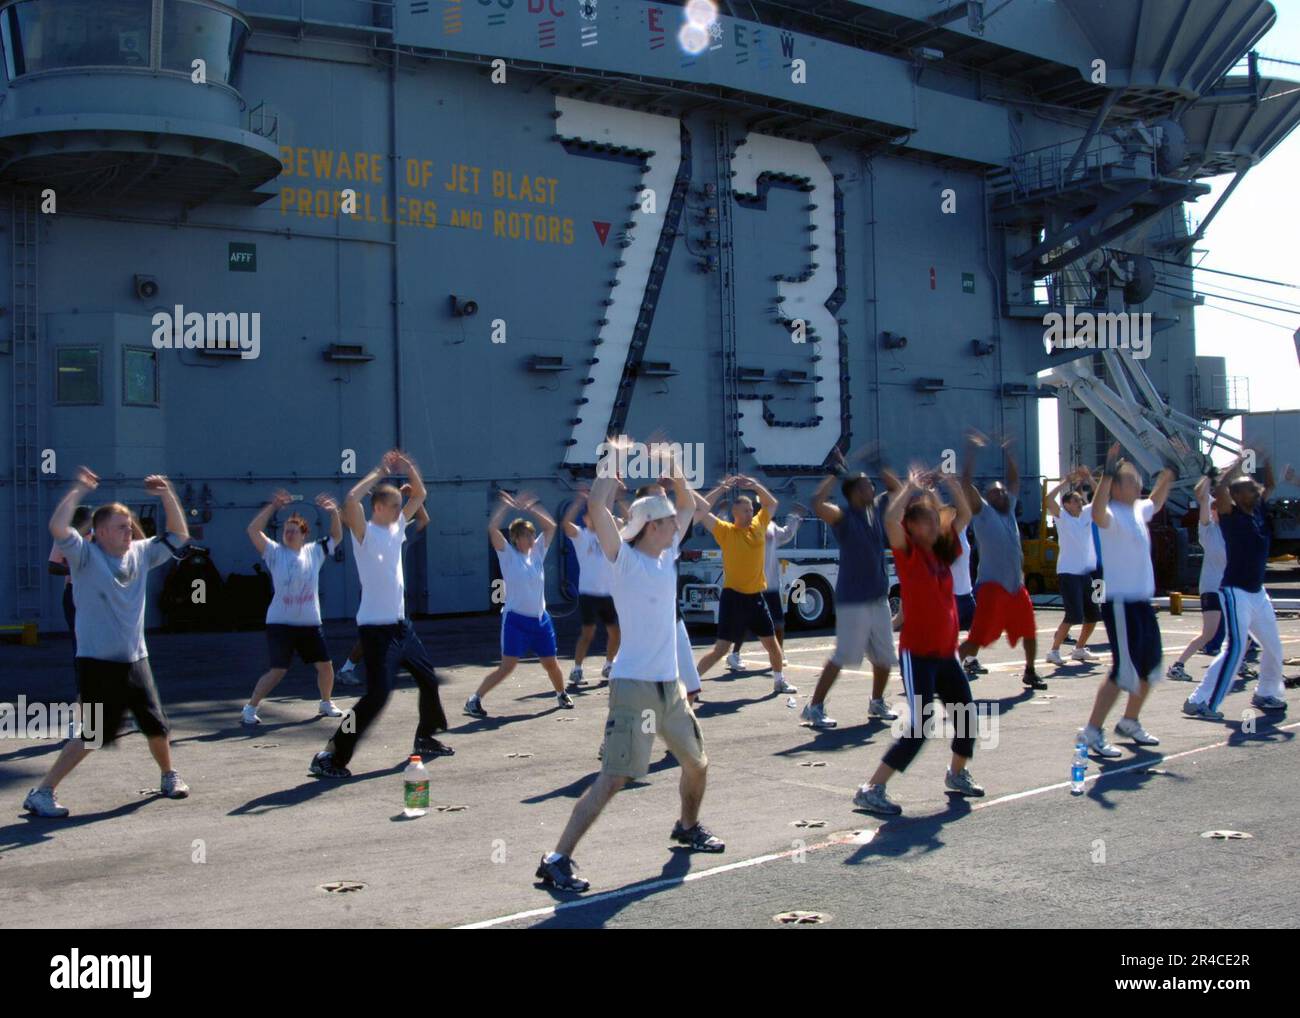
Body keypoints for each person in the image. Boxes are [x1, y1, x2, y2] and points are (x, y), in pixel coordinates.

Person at [537, 443, 720, 893]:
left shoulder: (668, 553)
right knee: (615, 776)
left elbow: (687, 501)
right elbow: (598, 506)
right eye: (664, 520)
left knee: (697, 764)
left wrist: (673, 465)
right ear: (648, 527)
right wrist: (612, 461)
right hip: (633, 686)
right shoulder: (625, 560)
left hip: (669, 687)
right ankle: (556, 858)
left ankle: (686, 826)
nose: (673, 523)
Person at [23, 468, 191, 817]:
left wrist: (166, 493)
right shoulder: (84, 556)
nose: (128, 531)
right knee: (94, 734)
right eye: (120, 527)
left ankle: (168, 776)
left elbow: (179, 534)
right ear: (99, 533)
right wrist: (78, 490)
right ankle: (42, 792)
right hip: (97, 661)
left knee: (156, 725)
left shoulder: (142, 552)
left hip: (135, 658)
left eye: (129, 526)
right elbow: (58, 528)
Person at [310, 451, 451, 778]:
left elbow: (421, 494)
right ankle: (330, 754)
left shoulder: (397, 527)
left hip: (403, 627)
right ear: (378, 508)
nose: (400, 510)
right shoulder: (364, 533)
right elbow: (350, 500)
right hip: (376, 630)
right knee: (376, 696)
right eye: (393, 506)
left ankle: (425, 737)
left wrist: (408, 467)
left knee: (428, 680)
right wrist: (379, 472)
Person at [854, 468, 983, 815]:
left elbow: (965, 513)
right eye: (925, 521)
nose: (932, 525)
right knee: (921, 724)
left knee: (967, 716)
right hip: (919, 654)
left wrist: (952, 482)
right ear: (912, 527)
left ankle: (957, 774)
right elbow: (892, 518)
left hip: (946, 655)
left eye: (933, 521)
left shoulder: (942, 551)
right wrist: (910, 486)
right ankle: (872, 788)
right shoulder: (908, 553)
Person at [1076, 443, 1174, 757]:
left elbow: (1156, 500)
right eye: (1132, 480)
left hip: (1142, 603)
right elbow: (1099, 507)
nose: (1139, 484)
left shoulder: (1137, 509)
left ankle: (1130, 721)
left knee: (1151, 667)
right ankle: (1091, 731)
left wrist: (1170, 472)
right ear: (1116, 486)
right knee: (1123, 672)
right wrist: (1106, 472)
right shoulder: (1106, 513)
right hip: (1119, 605)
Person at [1183, 456, 1289, 719]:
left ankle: (1266, 692)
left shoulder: (1258, 512)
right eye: (1249, 487)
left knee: (1274, 648)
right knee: (1236, 648)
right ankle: (1203, 702)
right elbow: (1218, 489)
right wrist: (1230, 468)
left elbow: (1271, 485)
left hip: (1258, 593)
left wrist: (1269, 459)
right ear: (1237, 496)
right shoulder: (1230, 516)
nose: (1256, 488)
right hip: (1235, 591)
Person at [240, 490, 344, 725]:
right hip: (280, 624)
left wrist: (334, 512)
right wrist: (272, 506)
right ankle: (250, 708)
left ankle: (326, 702)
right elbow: (253, 530)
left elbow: (337, 535)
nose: (287, 533)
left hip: (310, 623)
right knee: (277, 671)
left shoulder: (315, 551)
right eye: (285, 530)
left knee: (326, 667)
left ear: (303, 534)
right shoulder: (274, 552)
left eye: (293, 530)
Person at [465, 491, 572, 717]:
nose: (532, 539)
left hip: (541, 620)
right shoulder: (507, 554)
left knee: (551, 663)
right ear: (516, 538)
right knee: (508, 666)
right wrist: (506, 506)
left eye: (532, 535)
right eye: (526, 535)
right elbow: (492, 529)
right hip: (515, 620)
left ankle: (561, 693)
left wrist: (533, 506)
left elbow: (551, 526)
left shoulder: (537, 554)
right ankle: (474, 700)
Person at [956, 431, 1045, 690]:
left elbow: (1015, 481)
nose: (1001, 494)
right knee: (978, 638)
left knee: (1029, 630)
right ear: (987, 498)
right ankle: (944, 669)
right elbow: (965, 485)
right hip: (992, 588)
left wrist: (1009, 454)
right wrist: (971, 453)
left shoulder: (1009, 513)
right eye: (995, 493)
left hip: (1016, 587)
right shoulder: (983, 513)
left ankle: (1030, 670)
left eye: (1003, 492)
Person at [692, 476, 795, 694]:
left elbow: (772, 503)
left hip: (756, 597)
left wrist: (755, 485)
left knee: (772, 645)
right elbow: (699, 510)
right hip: (733, 598)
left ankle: (779, 681)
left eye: (751, 509)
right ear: (735, 514)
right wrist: (721, 488)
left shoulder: (759, 525)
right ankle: (690, 684)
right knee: (721, 649)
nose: (750, 513)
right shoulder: (725, 531)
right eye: (745, 510)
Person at [335, 488, 429, 686]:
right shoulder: (374, 532)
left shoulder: (398, 530)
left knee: (398, 634)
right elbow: (349, 512)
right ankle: (348, 669)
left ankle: (412, 666)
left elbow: (424, 520)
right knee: (374, 636)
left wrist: (413, 499)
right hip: (376, 590)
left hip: (395, 593)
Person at [1168, 474, 1225, 682]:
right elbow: (1201, 495)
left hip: (1229, 589)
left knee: (1245, 633)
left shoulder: (1232, 532)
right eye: (1218, 509)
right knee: (1208, 633)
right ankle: (1177, 665)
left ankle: (1236, 661)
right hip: (1212, 588)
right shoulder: (1208, 530)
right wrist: (1209, 477)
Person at [728, 508, 802, 669]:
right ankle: (734, 654)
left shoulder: (772, 526)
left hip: (771, 584)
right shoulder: (746, 527)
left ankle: (779, 654)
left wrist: (794, 516)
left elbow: (786, 534)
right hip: (753, 583)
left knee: (779, 622)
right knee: (746, 622)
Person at [562, 487, 621, 689]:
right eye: (591, 516)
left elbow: (612, 512)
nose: (595, 518)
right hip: (588, 593)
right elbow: (565, 525)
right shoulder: (581, 536)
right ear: (586, 519)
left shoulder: (609, 534)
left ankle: (609, 665)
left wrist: (614, 490)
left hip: (609, 594)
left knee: (615, 634)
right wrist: (578, 501)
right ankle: (577, 669)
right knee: (588, 633)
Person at [1044, 467, 1101, 667]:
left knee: (1093, 615)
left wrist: (1090, 478)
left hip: (1085, 573)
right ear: (1067, 504)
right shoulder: (1062, 517)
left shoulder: (1086, 514)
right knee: (1073, 615)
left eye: (1080, 500)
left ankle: (1079, 649)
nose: (1080, 502)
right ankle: (1054, 651)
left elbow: (1102, 497)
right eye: (1075, 500)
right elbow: (1049, 498)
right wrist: (1064, 481)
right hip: (1068, 573)